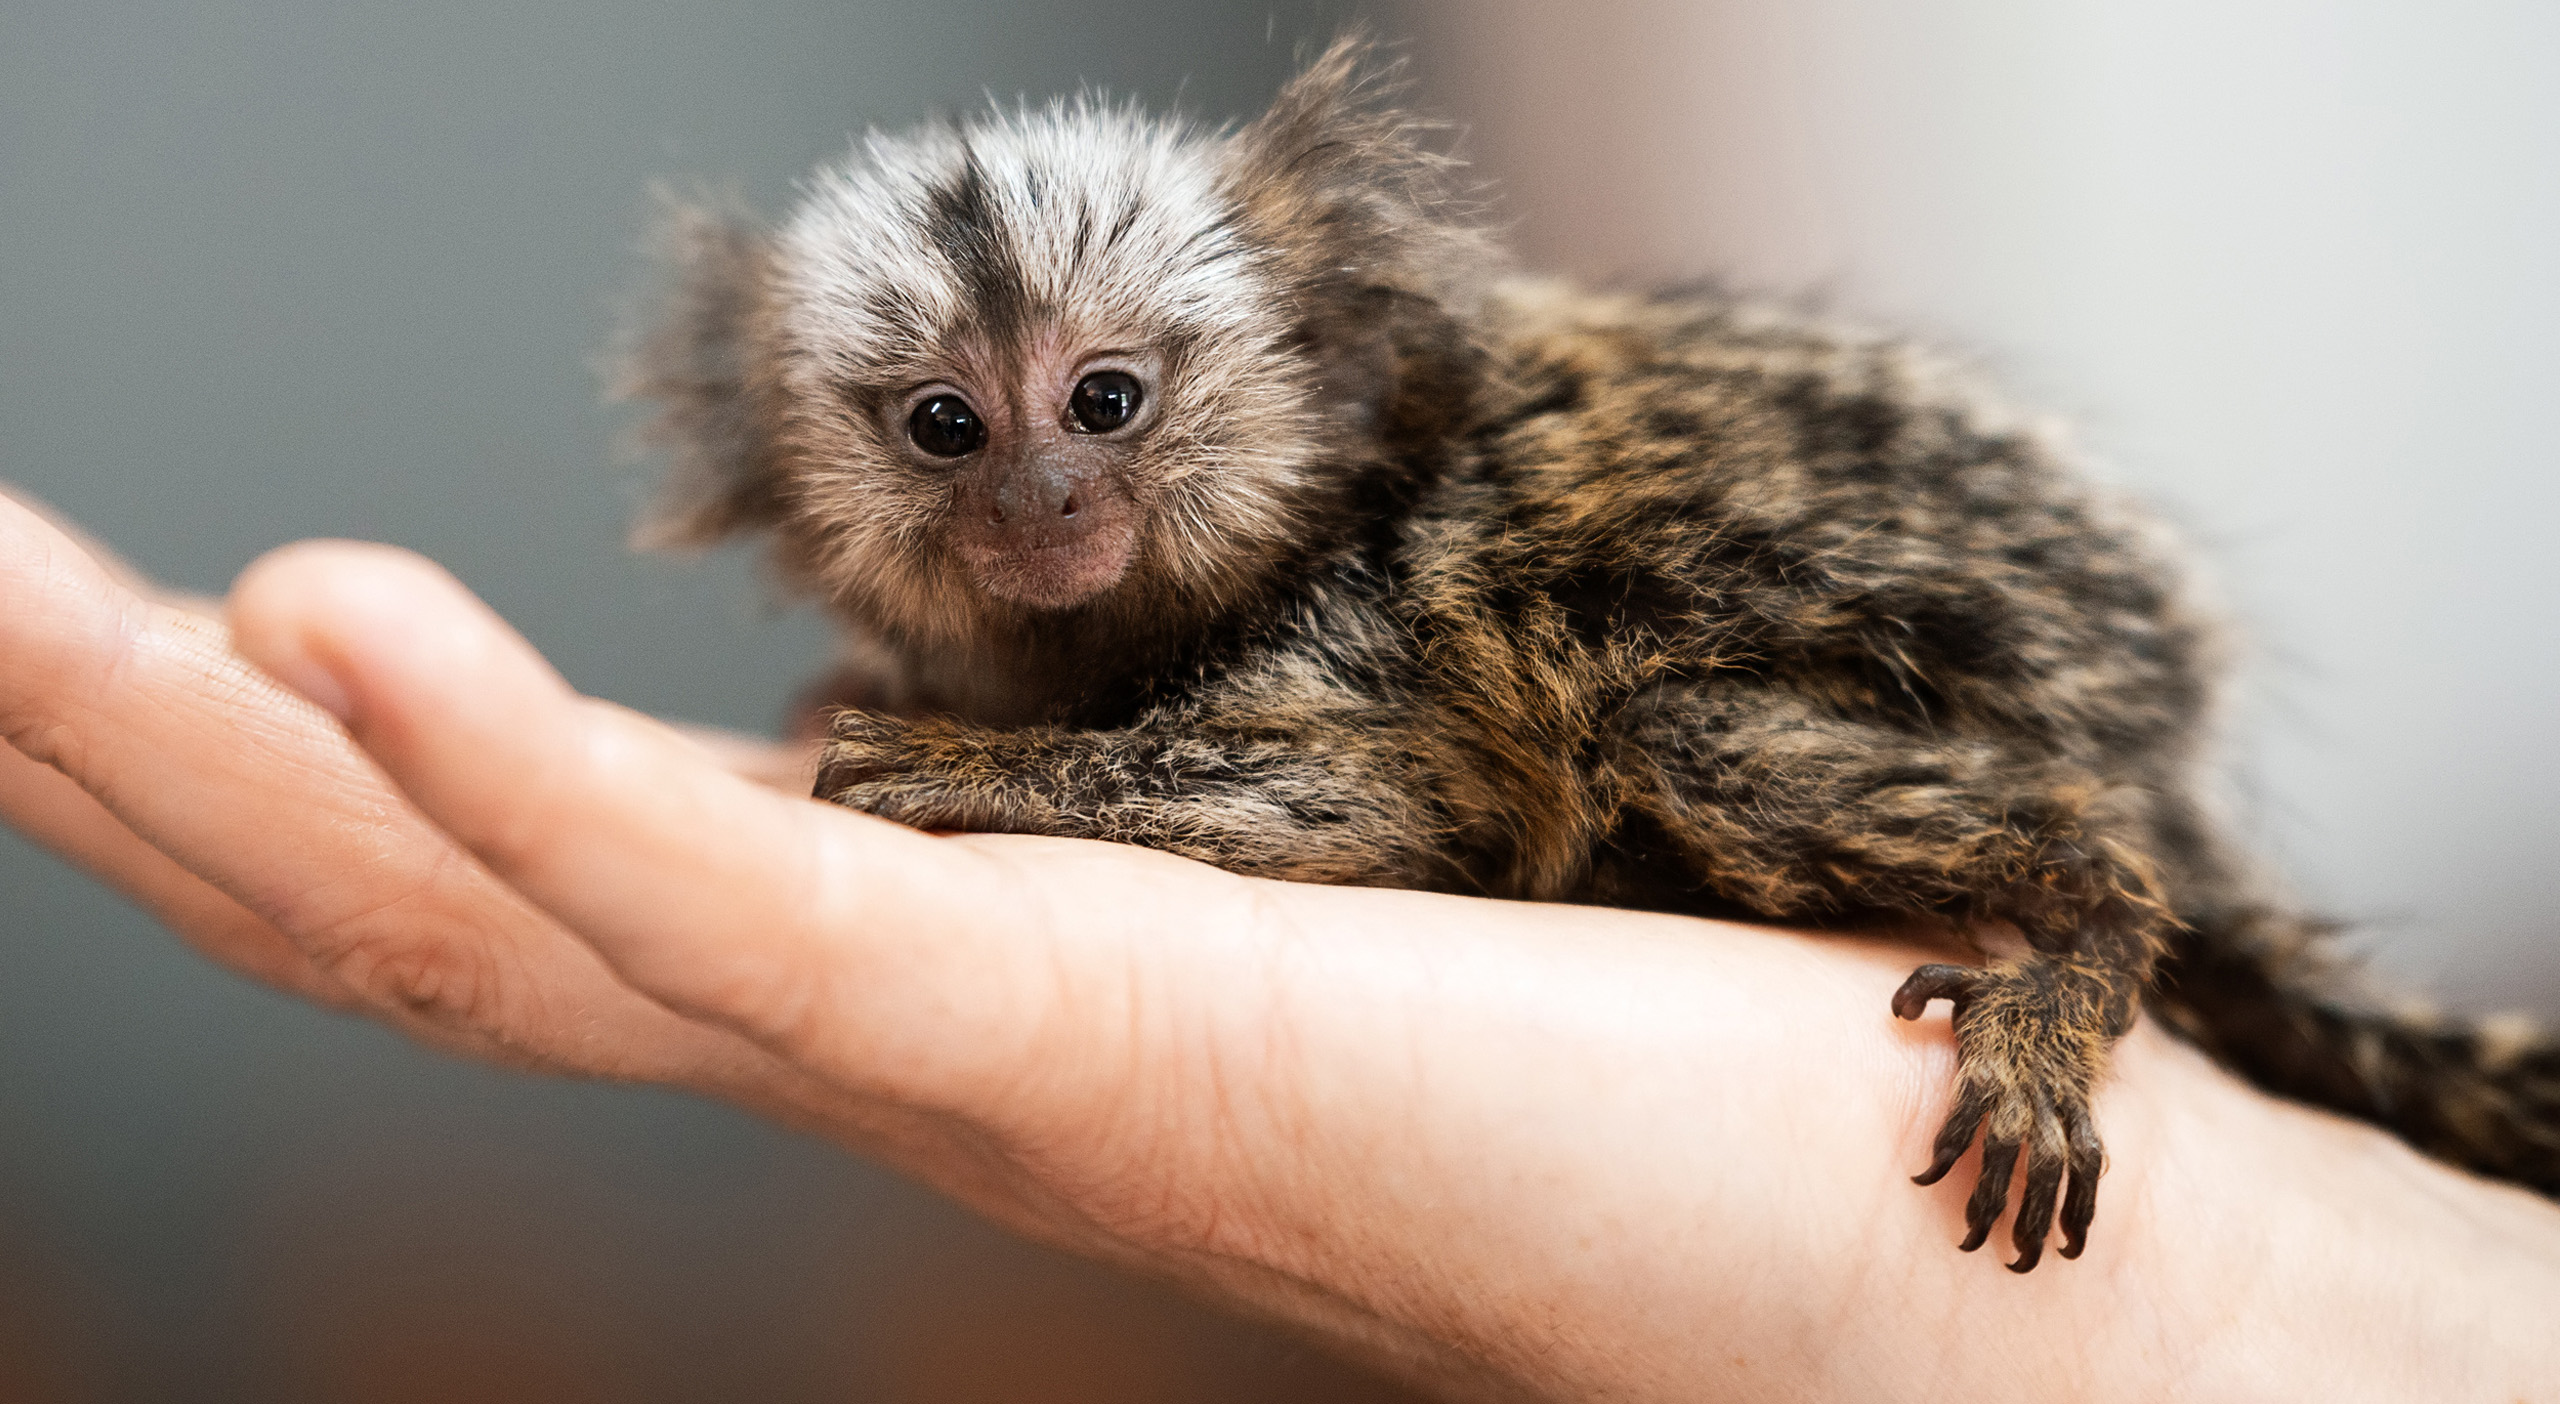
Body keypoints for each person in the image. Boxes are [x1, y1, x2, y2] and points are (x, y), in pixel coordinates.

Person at [1, 486, 2554, 1401]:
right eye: (938, 437)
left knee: (1642, 730)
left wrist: (1011, 783)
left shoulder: (1349, 552)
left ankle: (2078, 950)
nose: (1035, 496)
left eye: (1106, 406)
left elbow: (1380, 779)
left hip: (1862, 686)